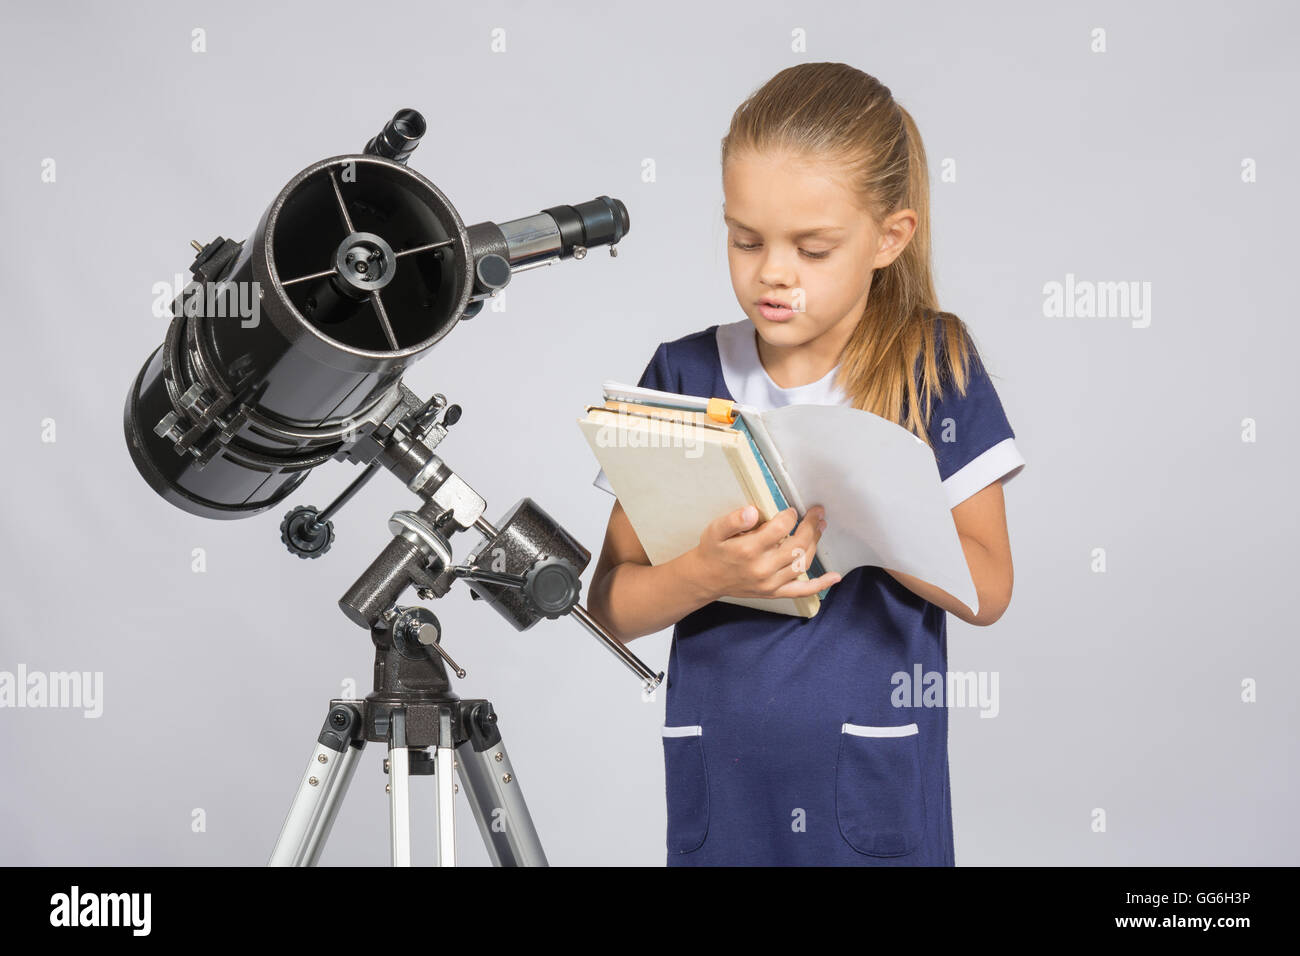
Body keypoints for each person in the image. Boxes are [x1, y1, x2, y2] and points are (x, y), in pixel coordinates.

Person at [585, 62, 1026, 866]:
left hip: (870, 782)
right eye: (744, 239)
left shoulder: (933, 366)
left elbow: (988, 588)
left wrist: (871, 514)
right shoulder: (682, 375)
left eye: (812, 247)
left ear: (890, 237)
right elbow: (610, 604)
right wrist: (708, 575)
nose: (772, 272)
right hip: (723, 784)